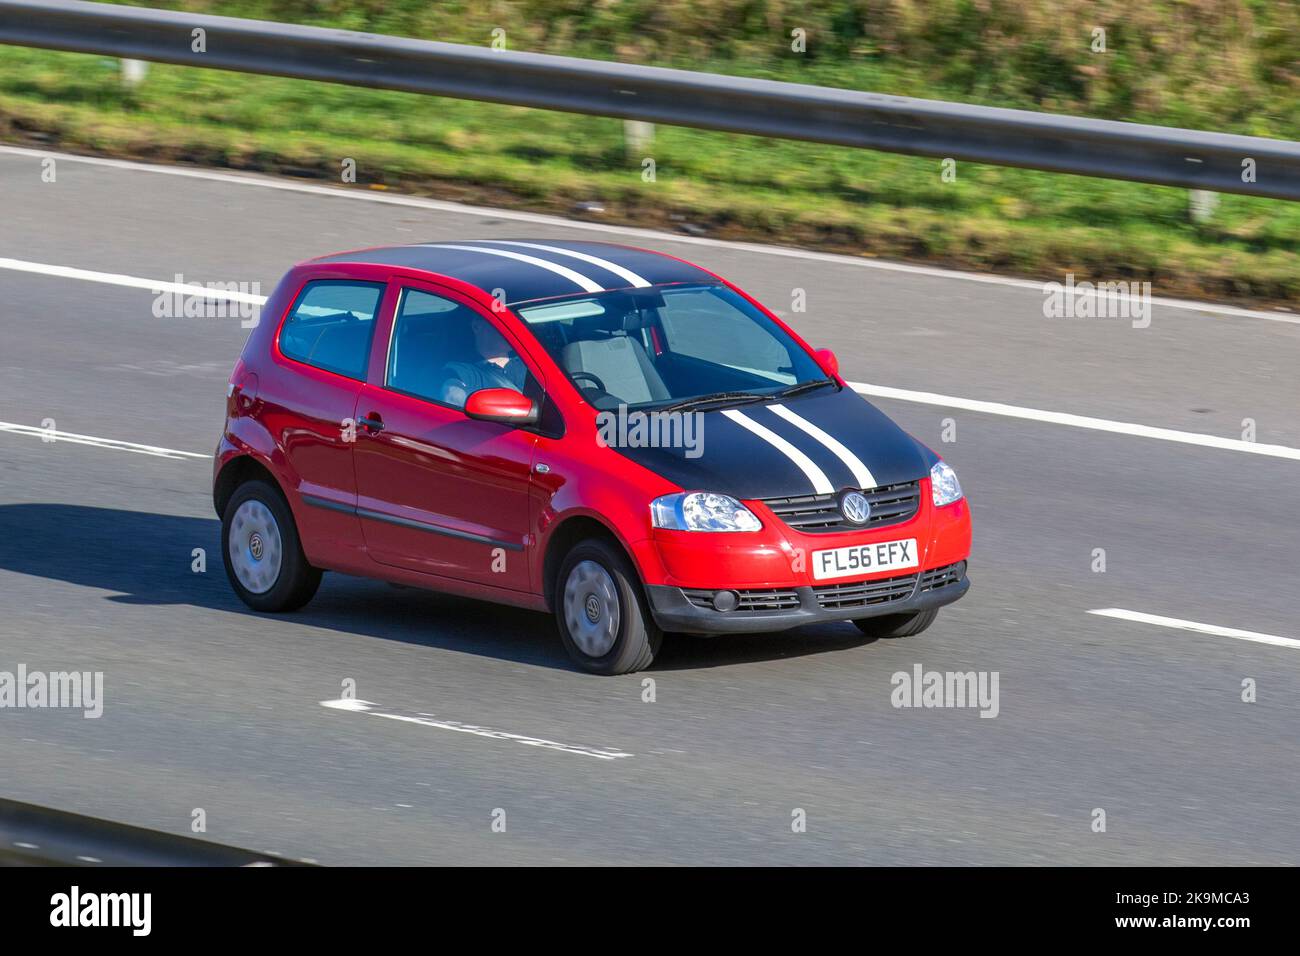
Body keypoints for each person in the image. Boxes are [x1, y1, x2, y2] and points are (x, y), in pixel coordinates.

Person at [439, 314, 528, 407]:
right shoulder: (462, 372)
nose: (512, 329)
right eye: (503, 322)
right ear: (476, 326)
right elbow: (453, 400)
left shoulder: (530, 360)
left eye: (515, 323)